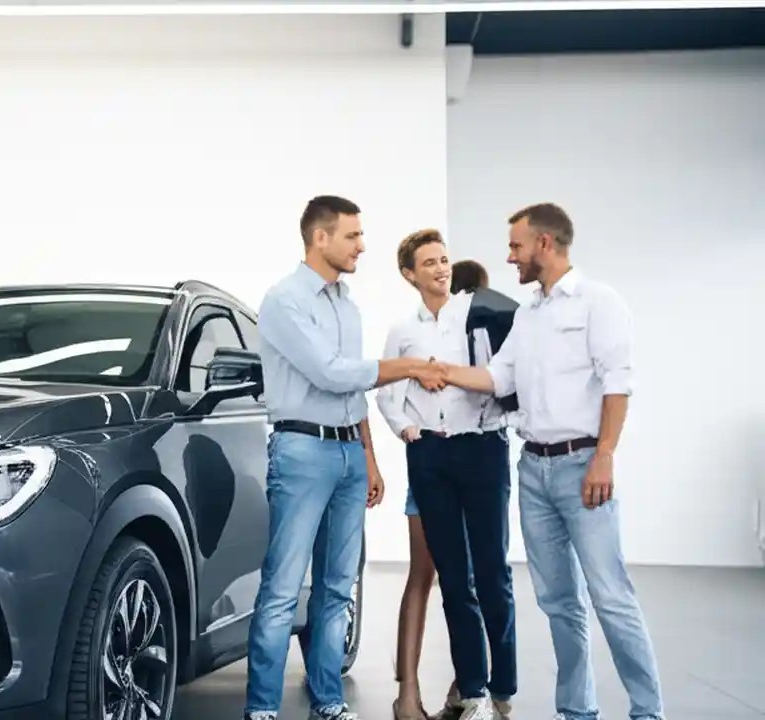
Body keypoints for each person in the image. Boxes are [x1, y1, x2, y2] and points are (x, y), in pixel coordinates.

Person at [435, 202, 666, 720]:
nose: (509, 256)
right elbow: (498, 378)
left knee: (610, 597)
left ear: (544, 244)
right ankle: (576, 712)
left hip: (582, 466)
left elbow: (618, 383)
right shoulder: (529, 314)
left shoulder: (597, 301)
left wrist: (604, 456)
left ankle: (648, 712)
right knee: (559, 602)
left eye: (516, 245)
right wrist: (437, 371)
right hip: (532, 471)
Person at [244, 195, 446, 720]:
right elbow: (330, 373)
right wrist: (409, 366)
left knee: (337, 589)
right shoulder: (284, 300)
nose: (362, 245)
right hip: (301, 451)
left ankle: (328, 700)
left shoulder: (346, 303)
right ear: (321, 238)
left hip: (347, 455)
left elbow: (352, 395)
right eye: (353, 236)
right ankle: (262, 709)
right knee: (283, 587)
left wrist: (370, 458)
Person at [377, 231, 518, 720]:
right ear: (409, 274)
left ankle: (504, 691)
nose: (440, 268)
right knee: (454, 579)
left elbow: (504, 375)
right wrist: (406, 429)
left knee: (493, 573)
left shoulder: (477, 312)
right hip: (430, 456)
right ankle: (474, 693)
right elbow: (386, 390)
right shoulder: (403, 329)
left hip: (482, 449)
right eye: (429, 262)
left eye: (444, 260)